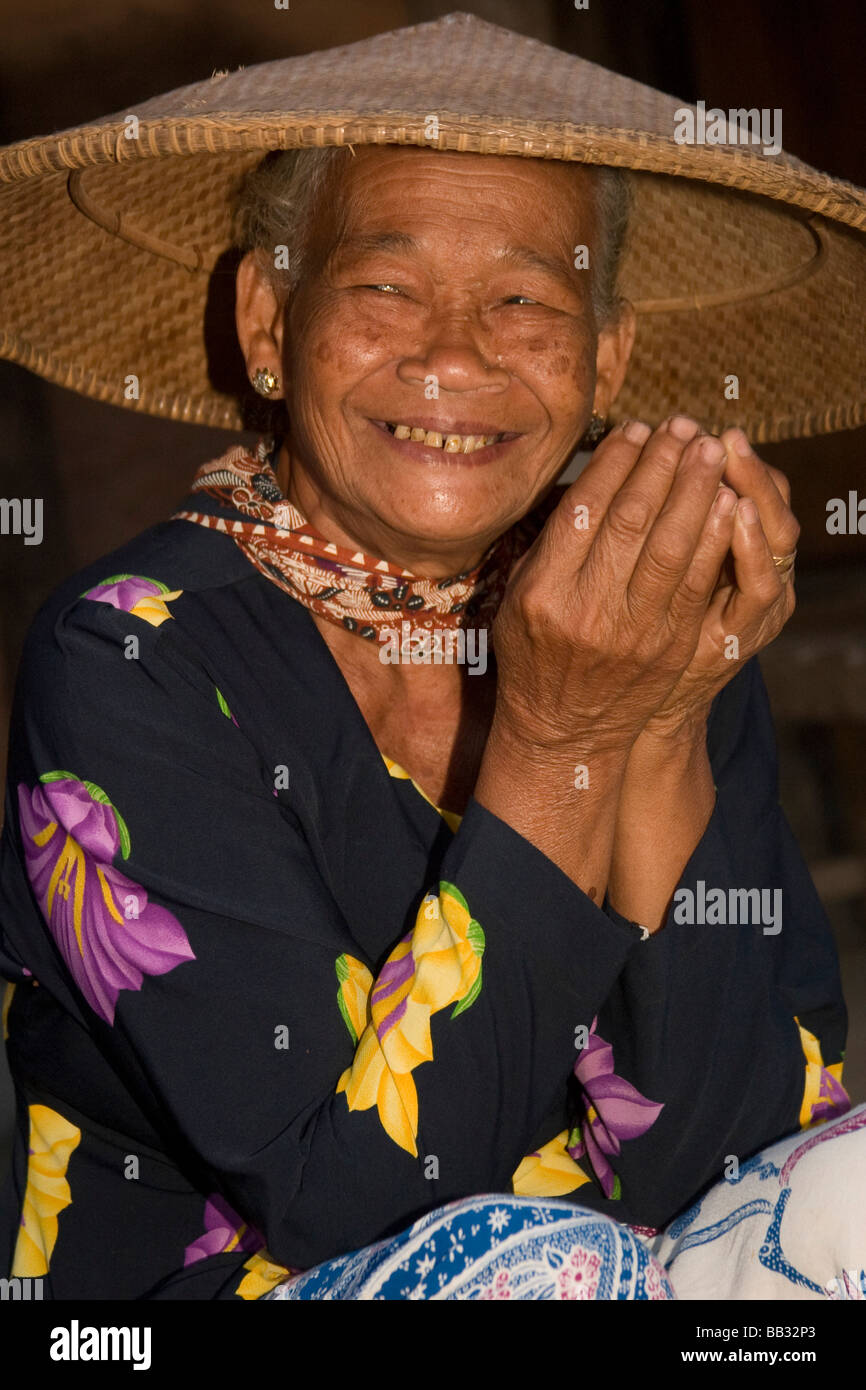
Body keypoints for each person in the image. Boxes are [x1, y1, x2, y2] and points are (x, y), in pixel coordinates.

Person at [0, 13, 861, 1301]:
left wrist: (663, 718)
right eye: (386, 288)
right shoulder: (129, 658)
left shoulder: (639, 622)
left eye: (525, 298)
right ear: (268, 323)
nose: (455, 353)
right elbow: (344, 1199)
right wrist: (564, 744)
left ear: (604, 359)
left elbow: (753, 1131)